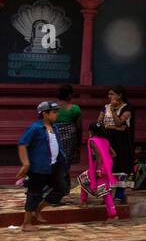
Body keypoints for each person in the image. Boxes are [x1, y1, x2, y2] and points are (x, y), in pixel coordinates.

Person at [16, 101, 68, 231]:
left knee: (61, 188)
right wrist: (26, 163)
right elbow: (22, 144)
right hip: (38, 167)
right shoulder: (35, 127)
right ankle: (26, 223)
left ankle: (37, 209)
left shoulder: (54, 128)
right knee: (34, 193)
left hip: (53, 165)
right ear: (45, 114)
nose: (56, 115)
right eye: (54, 112)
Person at [80, 122, 120, 218]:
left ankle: (112, 214)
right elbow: (114, 154)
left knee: (102, 189)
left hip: (97, 167)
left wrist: (98, 169)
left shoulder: (92, 140)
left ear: (91, 131)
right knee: (85, 179)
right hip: (107, 166)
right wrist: (106, 158)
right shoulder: (105, 141)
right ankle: (84, 200)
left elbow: (98, 155)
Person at [98, 86, 134, 192]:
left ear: (120, 95)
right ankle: (106, 193)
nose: (109, 96)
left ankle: (120, 194)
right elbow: (99, 123)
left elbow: (119, 122)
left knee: (121, 166)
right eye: (109, 94)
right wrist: (114, 127)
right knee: (107, 165)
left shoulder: (127, 108)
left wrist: (113, 110)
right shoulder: (105, 107)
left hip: (121, 142)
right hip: (107, 141)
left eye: (112, 94)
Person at [53, 84, 82, 170]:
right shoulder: (75, 109)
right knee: (66, 160)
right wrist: (78, 144)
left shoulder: (52, 107)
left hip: (54, 136)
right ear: (70, 95)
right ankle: (64, 178)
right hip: (70, 139)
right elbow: (79, 128)